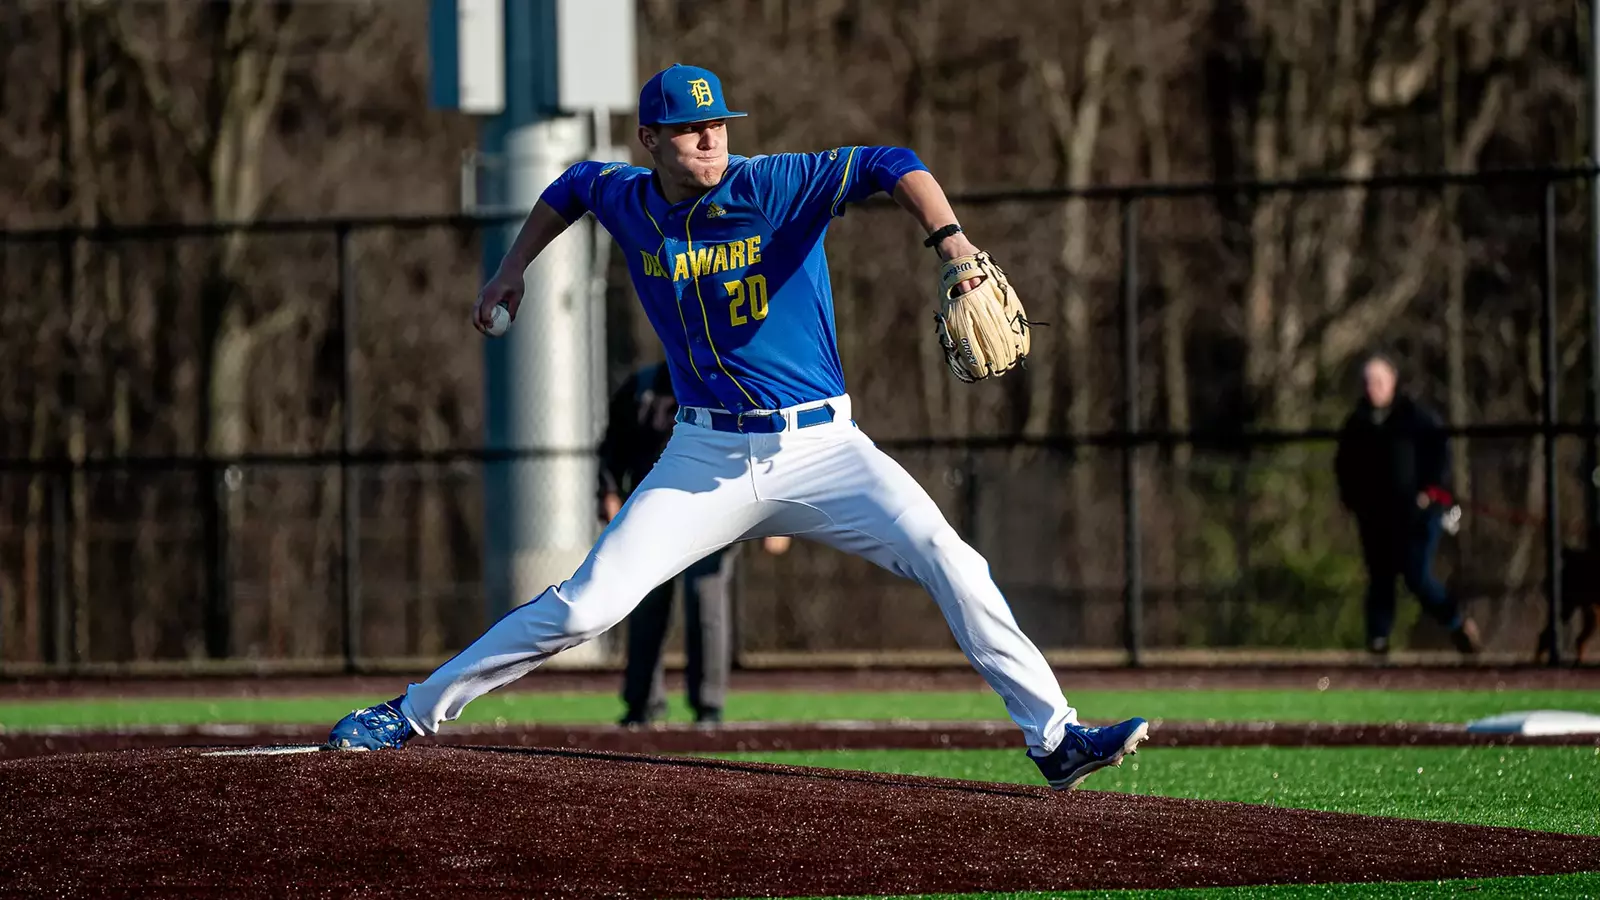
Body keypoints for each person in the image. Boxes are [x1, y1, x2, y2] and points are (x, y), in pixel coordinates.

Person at [326, 63, 1148, 790]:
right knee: (585, 608)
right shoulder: (629, 198)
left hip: (822, 448)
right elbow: (570, 185)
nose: (710, 138)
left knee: (950, 558)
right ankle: (413, 711)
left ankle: (1056, 737)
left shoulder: (774, 185)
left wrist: (956, 248)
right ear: (650, 138)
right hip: (704, 452)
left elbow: (893, 163)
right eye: (689, 130)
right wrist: (511, 268)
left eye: (717, 123)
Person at [598, 360, 790, 727]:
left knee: (706, 601)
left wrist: (775, 518)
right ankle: (641, 706)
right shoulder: (642, 389)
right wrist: (608, 495)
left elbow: (762, 449)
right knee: (644, 606)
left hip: (712, 515)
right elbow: (612, 448)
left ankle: (708, 707)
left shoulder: (729, 386)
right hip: (651, 518)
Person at [1334, 352, 1483, 657]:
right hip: (1377, 517)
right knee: (1381, 578)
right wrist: (1353, 501)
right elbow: (1345, 467)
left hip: (1420, 514)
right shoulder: (1356, 424)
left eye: (1378, 381)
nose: (1372, 387)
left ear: (1392, 382)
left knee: (1417, 575)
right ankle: (1378, 642)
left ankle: (1457, 623)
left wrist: (1430, 490)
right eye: (1366, 382)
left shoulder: (1415, 417)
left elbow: (1440, 455)